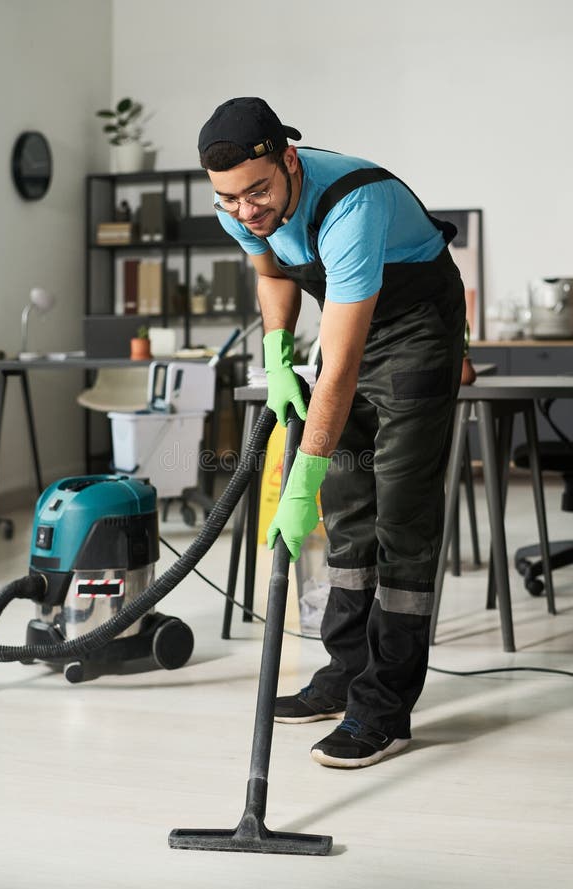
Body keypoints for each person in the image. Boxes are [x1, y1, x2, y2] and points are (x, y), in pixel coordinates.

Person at [198, 97, 466, 769]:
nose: (245, 211)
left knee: (400, 515)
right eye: (229, 200)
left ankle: (385, 708)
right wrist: (278, 353)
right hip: (349, 326)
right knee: (348, 511)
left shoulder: (353, 204)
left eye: (256, 192)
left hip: (413, 333)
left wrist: (301, 477)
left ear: (289, 158)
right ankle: (345, 673)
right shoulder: (241, 202)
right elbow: (270, 270)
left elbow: (342, 368)